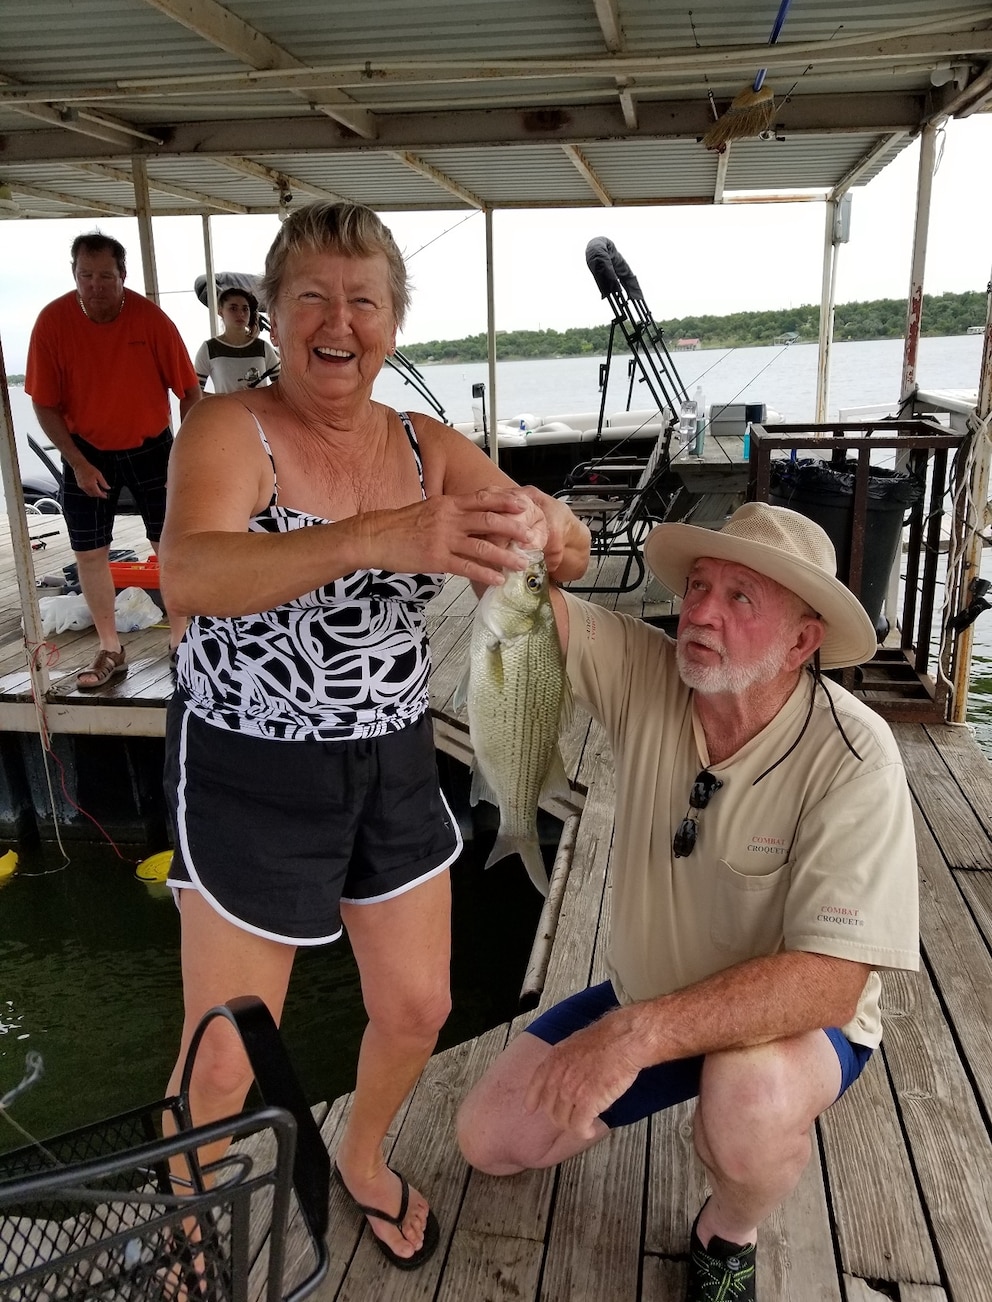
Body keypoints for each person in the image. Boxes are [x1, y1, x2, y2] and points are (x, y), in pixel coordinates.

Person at [158, 202, 590, 1270]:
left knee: (418, 1004)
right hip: (250, 764)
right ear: (270, 313)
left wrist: (549, 525)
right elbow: (190, 574)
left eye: (363, 299)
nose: (336, 321)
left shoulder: (422, 441)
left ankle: (360, 1156)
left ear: (393, 319)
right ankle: (185, 1232)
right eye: (310, 296)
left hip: (391, 759)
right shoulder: (230, 428)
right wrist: (378, 536)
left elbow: (566, 552)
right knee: (222, 1058)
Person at [457, 502, 920, 1302]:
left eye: (742, 598)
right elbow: (519, 597)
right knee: (486, 1140)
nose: (700, 613)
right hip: (652, 993)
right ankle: (674, 1070)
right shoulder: (650, 670)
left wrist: (632, 1039)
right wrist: (540, 530)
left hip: (790, 1029)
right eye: (699, 585)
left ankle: (726, 1233)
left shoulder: (854, 756)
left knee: (751, 1101)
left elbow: (830, 986)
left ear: (803, 641)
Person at [25, 232, 201, 688]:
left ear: (123, 276)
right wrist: (77, 462)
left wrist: (188, 451)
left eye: (106, 276)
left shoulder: (150, 320)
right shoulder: (52, 322)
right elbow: (44, 403)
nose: (96, 285)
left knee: (171, 548)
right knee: (89, 552)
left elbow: (190, 391)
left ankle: (181, 642)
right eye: (86, 276)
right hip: (84, 449)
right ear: (74, 276)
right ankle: (109, 648)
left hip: (152, 446)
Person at [194, 286, 280, 393]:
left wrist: (260, 395)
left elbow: (281, 386)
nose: (240, 314)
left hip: (260, 410)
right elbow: (195, 393)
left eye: (245, 309)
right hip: (224, 410)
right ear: (221, 312)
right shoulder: (209, 348)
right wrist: (227, 400)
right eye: (233, 308)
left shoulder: (262, 347)